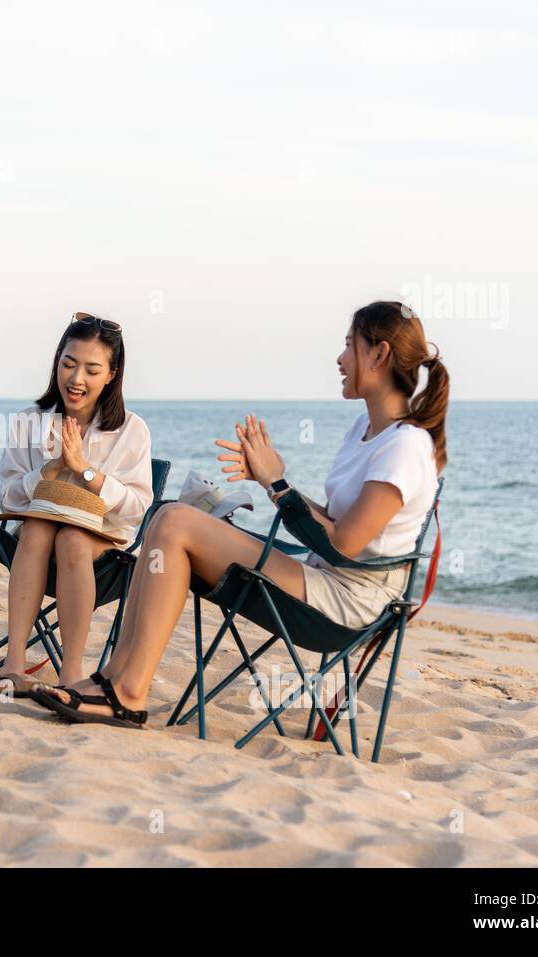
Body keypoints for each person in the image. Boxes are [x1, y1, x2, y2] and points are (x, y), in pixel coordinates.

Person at [32, 301, 448, 728]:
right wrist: (274, 481)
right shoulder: (365, 433)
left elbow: (344, 544)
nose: (340, 359)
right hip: (322, 577)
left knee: (175, 522)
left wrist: (277, 485)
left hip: (347, 603)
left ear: (378, 354)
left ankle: (129, 693)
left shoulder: (405, 446)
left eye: (348, 346)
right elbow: (336, 522)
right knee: (163, 517)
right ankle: (114, 678)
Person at [0, 313, 154, 694]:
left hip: (101, 540)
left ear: (111, 374)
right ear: (57, 360)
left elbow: (137, 508)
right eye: (69, 364)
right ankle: (14, 664)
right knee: (41, 529)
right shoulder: (30, 421)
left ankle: (70, 674)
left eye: (92, 370)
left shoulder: (131, 430)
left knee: (72, 538)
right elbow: (8, 495)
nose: (76, 379)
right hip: (35, 535)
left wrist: (85, 471)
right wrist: (51, 469)